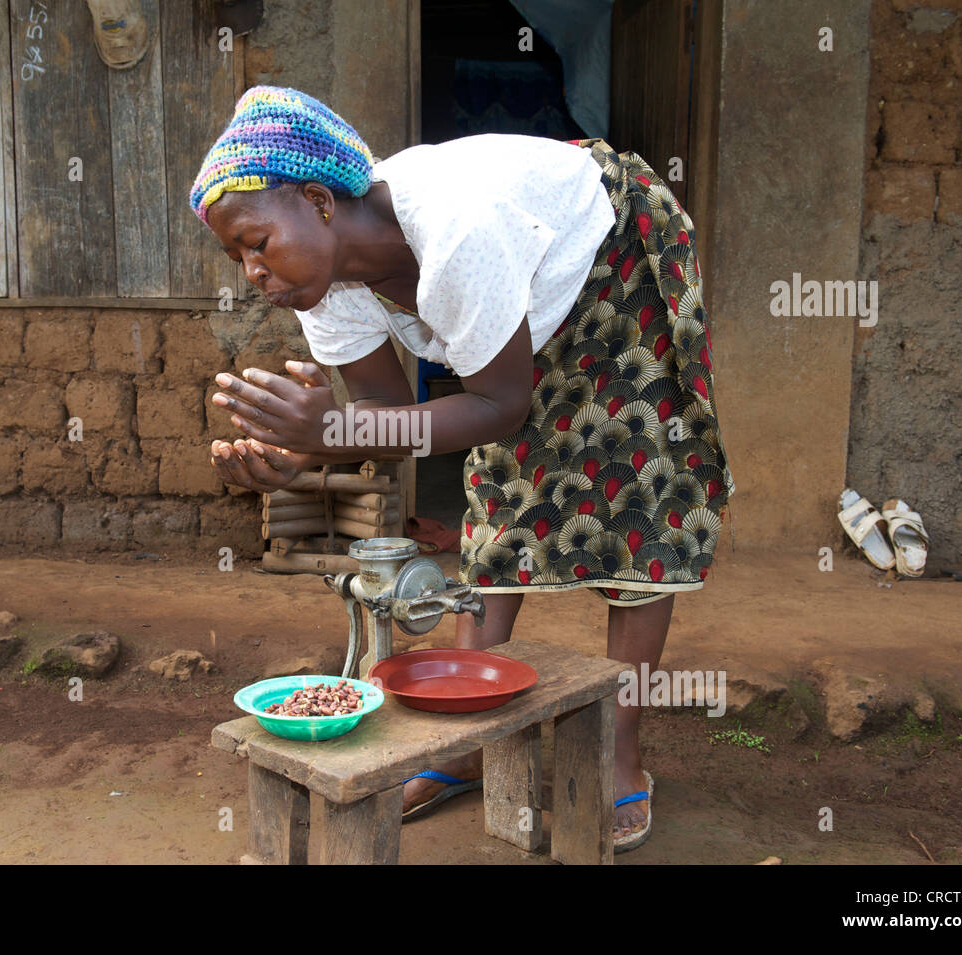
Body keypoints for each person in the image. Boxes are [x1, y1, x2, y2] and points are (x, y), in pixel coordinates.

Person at [192, 85, 735, 853]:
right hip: (516, 318)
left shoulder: (453, 227)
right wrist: (307, 454)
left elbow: (501, 405)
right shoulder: (322, 290)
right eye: (236, 256)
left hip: (610, 263)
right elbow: (388, 419)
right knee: (499, 513)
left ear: (318, 201)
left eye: (254, 241)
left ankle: (617, 749)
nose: (251, 270)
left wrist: (333, 427)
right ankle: (469, 733)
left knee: (641, 503)